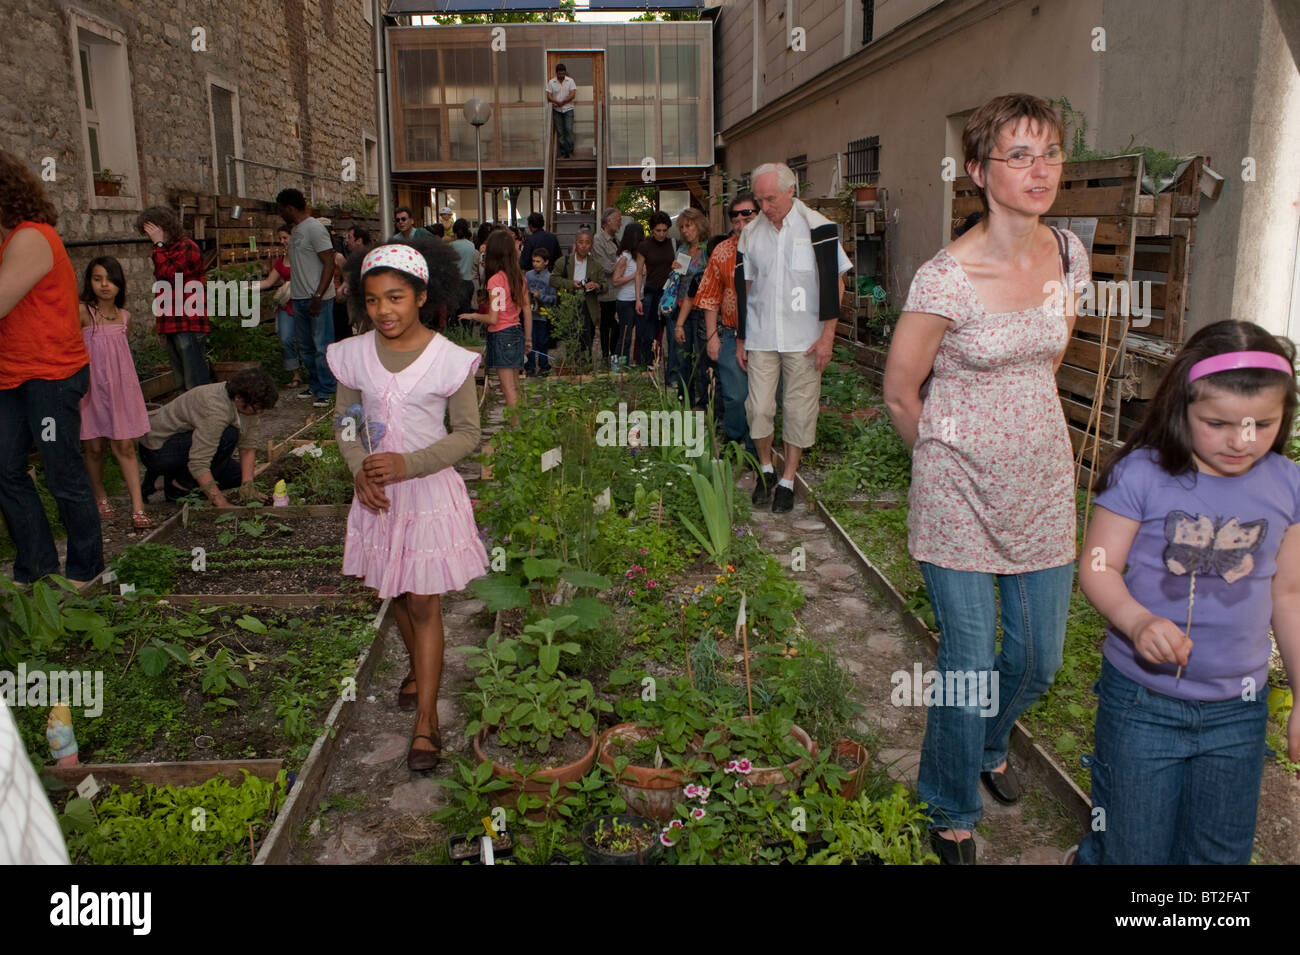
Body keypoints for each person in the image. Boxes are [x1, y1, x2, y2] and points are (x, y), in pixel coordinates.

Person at [881, 94, 1089, 864]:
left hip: (1040, 487)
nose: (1040, 171)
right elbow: (903, 392)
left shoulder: (1069, 253)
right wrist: (947, 459)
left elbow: (1051, 359)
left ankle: (991, 740)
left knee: (1038, 659)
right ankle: (949, 801)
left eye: (1051, 154)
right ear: (978, 170)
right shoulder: (946, 278)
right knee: (969, 657)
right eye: (1019, 155)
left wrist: (1016, 436)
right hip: (958, 495)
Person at [1073, 321, 1299, 865]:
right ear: (1181, 407)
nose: (1241, 441)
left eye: (1261, 424)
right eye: (1217, 423)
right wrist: (1137, 621)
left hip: (1238, 712)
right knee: (1133, 847)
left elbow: (1289, 593)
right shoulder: (1142, 475)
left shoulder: (1288, 484)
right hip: (1142, 704)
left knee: (1218, 855)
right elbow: (1099, 566)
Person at [328, 239, 487, 771]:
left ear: (422, 295)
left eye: (395, 298)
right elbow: (347, 423)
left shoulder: (450, 359)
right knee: (394, 592)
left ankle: (427, 720)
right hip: (377, 498)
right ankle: (419, 670)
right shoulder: (352, 355)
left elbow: (467, 434)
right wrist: (358, 470)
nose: (383, 311)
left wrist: (407, 464)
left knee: (424, 602)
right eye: (372, 301)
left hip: (425, 494)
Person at [0, 149, 103, 584]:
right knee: (6, 471)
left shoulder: (31, 237)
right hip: (11, 374)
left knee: (62, 472)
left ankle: (87, 571)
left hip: (50, 374)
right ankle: (37, 568)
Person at [737, 162, 851, 514]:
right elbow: (747, 288)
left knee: (799, 411)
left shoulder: (819, 228)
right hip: (761, 336)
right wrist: (742, 337)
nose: (764, 206)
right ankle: (766, 468)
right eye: (759, 199)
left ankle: (788, 479)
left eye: (770, 198)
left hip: (805, 338)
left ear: (791, 191)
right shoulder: (751, 233)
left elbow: (836, 283)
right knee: (758, 408)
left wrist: (827, 336)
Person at [77, 257, 151, 530]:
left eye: (110, 279)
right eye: (97, 279)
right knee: (94, 447)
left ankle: (138, 506)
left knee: (125, 445)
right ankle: (100, 497)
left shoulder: (125, 317)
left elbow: (120, 357)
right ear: (89, 282)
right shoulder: (83, 312)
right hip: (91, 390)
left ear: (120, 284)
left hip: (120, 391)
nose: (104, 285)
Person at [137, 369, 276, 505]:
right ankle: (179, 485)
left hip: (187, 441)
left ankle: (159, 480)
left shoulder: (247, 402)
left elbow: (247, 447)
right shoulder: (215, 409)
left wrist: (247, 486)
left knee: (238, 476)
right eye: (256, 408)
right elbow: (198, 462)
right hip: (158, 449)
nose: (259, 413)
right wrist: (221, 503)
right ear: (239, 398)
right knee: (228, 435)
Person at [696, 192, 759, 459]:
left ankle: (758, 452)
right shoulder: (723, 252)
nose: (741, 221)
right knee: (734, 396)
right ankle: (735, 441)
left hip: (768, 336)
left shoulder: (774, 247)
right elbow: (709, 297)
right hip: (732, 334)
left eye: (747, 214)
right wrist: (712, 336)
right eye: (735, 217)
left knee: (764, 400)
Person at [138, 204, 211, 392]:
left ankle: (204, 419)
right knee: (181, 383)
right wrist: (161, 328)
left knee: (195, 381)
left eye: (152, 232)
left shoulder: (187, 247)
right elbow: (163, 291)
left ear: (163, 228)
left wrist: (158, 245)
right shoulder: (164, 251)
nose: (150, 238)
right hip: (172, 323)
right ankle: (187, 419)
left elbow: (168, 275)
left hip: (188, 322)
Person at [276, 188, 337, 408]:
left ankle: (328, 388)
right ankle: (314, 385)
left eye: (281, 210)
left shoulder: (315, 228)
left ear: (290, 208)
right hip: (299, 297)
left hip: (317, 297)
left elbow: (329, 263)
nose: (280, 215)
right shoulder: (296, 230)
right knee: (307, 346)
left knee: (322, 346)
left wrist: (319, 295)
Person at [460, 229, 530, 413]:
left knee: (508, 391)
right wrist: (528, 339)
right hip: (516, 331)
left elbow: (493, 318)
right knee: (516, 387)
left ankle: (517, 434)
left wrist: (473, 316)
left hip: (501, 335)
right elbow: (527, 310)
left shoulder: (495, 280)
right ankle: (524, 429)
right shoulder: (519, 278)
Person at [667, 208, 710, 408]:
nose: (685, 230)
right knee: (682, 356)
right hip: (680, 308)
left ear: (699, 225)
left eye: (689, 225)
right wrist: (674, 271)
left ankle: (704, 400)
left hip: (702, 311)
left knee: (702, 358)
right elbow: (679, 279)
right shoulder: (682, 250)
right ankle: (685, 397)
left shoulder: (709, 249)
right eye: (682, 227)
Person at [549, 228, 608, 367]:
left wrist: (596, 285)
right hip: (569, 304)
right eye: (581, 242)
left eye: (587, 243)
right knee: (570, 338)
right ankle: (571, 367)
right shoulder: (564, 262)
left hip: (588, 305)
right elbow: (553, 280)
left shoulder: (596, 265)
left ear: (591, 245)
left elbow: (605, 285)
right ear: (575, 243)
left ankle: (586, 367)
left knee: (587, 339)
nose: (584, 245)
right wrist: (571, 284)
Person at [253, 225, 301, 389]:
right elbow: (268, 281)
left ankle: (312, 371)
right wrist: (246, 287)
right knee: (285, 338)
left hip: (303, 301)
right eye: (280, 238)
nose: (282, 242)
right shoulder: (281, 260)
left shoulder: (304, 256)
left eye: (284, 238)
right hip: (286, 303)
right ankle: (295, 373)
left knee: (306, 339)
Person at [635, 211, 675, 367]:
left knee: (671, 331)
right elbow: (638, 273)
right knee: (649, 331)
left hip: (669, 292)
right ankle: (648, 363)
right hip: (651, 291)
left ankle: (671, 367)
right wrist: (638, 298)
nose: (661, 234)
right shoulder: (644, 246)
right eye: (658, 230)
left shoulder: (673, 243)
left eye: (665, 230)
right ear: (652, 229)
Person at [592, 207, 623, 362]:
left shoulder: (616, 240)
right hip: (607, 290)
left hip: (619, 289)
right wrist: (622, 263)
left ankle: (613, 353)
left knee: (615, 323)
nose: (620, 223)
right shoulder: (598, 241)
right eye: (618, 220)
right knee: (607, 323)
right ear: (607, 222)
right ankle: (605, 355)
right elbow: (607, 267)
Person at [610, 222, 643, 365]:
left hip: (639, 298)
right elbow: (615, 281)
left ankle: (630, 362)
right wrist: (635, 275)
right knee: (625, 335)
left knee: (638, 335)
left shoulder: (640, 255)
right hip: (625, 300)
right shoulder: (625, 256)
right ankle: (618, 364)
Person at [525, 248, 557, 376]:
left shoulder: (550, 278)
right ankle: (530, 365)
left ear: (546, 262)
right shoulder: (528, 275)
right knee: (529, 339)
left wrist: (541, 296)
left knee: (542, 341)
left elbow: (553, 298)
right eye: (533, 261)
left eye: (538, 261)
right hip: (530, 314)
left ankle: (544, 365)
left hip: (543, 314)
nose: (535, 264)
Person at [449, 218, 477, 329]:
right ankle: (468, 334)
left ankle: (454, 335)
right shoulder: (471, 245)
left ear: (455, 231)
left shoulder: (451, 245)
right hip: (468, 282)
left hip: (455, 283)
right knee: (466, 311)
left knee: (454, 313)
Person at [546, 62, 577, 159]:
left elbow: (573, 94)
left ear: (565, 72)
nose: (562, 75)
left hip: (568, 109)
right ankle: (564, 152)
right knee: (560, 131)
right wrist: (556, 101)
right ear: (556, 73)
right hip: (556, 109)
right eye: (560, 74)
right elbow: (548, 96)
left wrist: (563, 102)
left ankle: (570, 151)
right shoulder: (551, 82)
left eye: (563, 73)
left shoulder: (570, 81)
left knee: (569, 129)